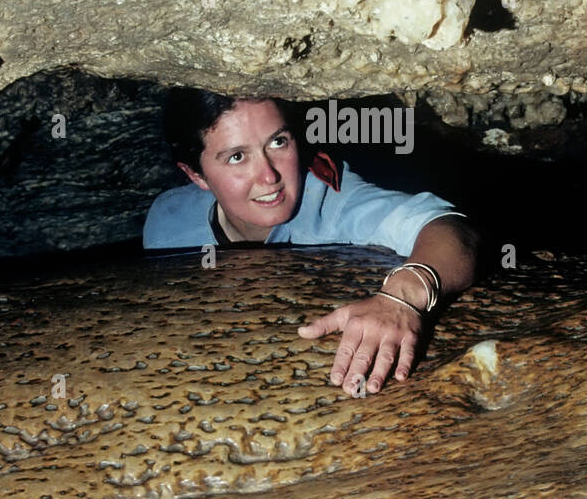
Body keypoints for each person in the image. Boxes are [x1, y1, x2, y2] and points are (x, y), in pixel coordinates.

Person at [143, 88, 479, 398]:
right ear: (195, 174)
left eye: (278, 143)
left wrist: (402, 298)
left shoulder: (331, 203)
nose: (269, 176)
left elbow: (451, 229)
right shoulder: (168, 222)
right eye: (237, 157)